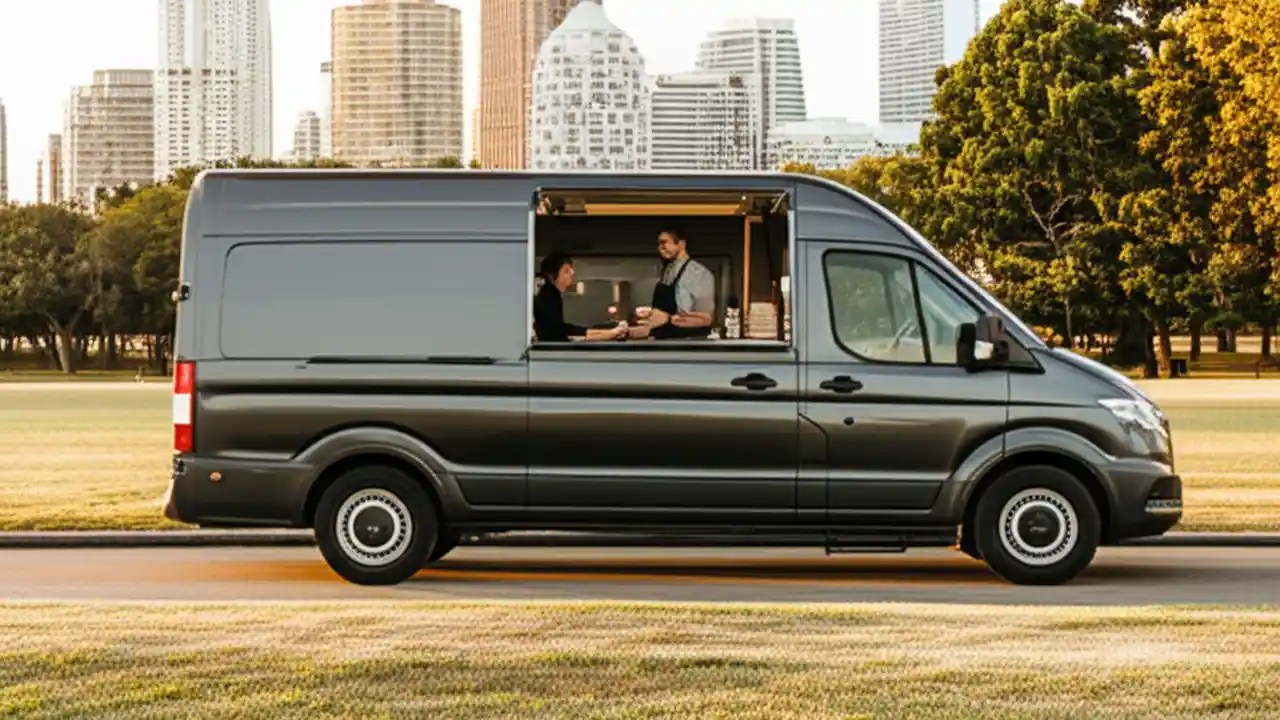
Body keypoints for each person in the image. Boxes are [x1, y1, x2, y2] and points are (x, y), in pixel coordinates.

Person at [635, 224, 715, 340]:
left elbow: (706, 320)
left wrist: (668, 319)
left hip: (687, 344)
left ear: (681, 243)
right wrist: (652, 315)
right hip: (662, 342)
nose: (660, 248)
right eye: (659, 244)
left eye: (664, 243)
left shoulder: (699, 274)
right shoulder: (668, 271)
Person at [533, 252, 626, 342]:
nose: (573, 273)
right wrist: (611, 333)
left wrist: (611, 331)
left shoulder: (551, 295)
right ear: (551, 276)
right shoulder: (548, 297)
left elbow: (561, 329)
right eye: (566, 270)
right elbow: (558, 332)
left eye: (571, 269)